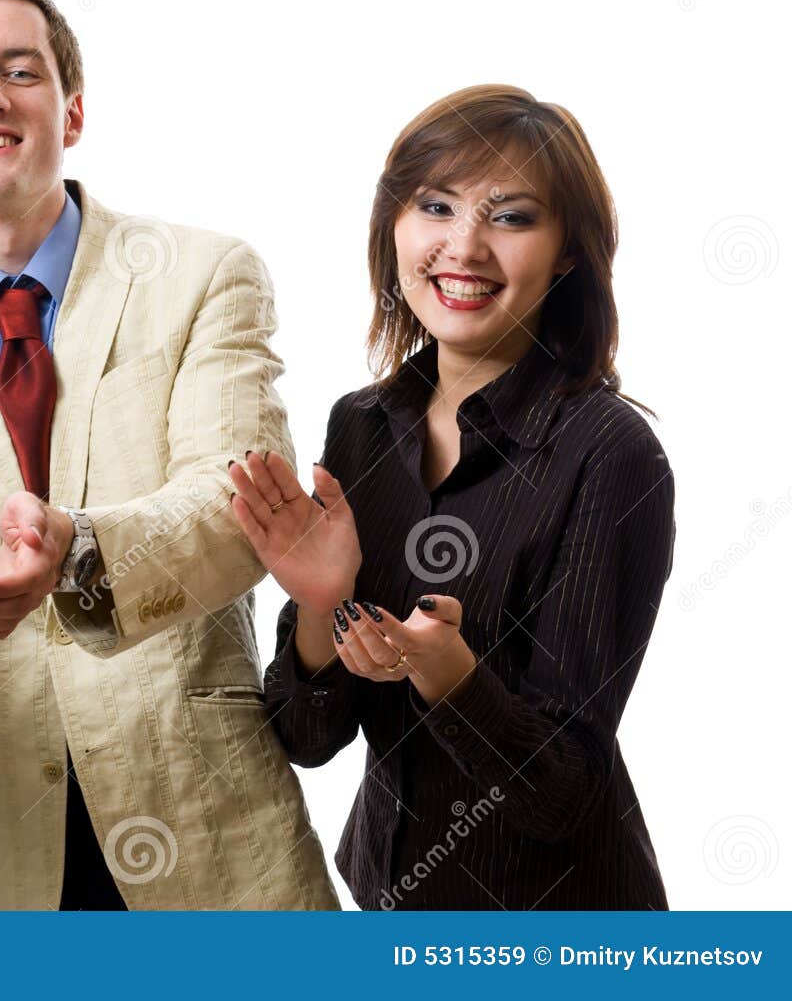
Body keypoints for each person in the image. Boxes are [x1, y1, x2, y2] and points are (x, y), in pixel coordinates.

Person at [0, 0, 337, 909]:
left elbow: (239, 505)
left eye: (21, 70)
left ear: (73, 113)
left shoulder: (204, 273)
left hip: (202, 833)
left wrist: (76, 551)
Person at [234, 84, 673, 909]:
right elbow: (305, 735)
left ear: (568, 252)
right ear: (393, 226)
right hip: (387, 905)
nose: (462, 246)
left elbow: (562, 792)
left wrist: (452, 676)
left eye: (511, 216)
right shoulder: (361, 426)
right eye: (436, 206)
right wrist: (324, 608)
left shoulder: (610, 452)